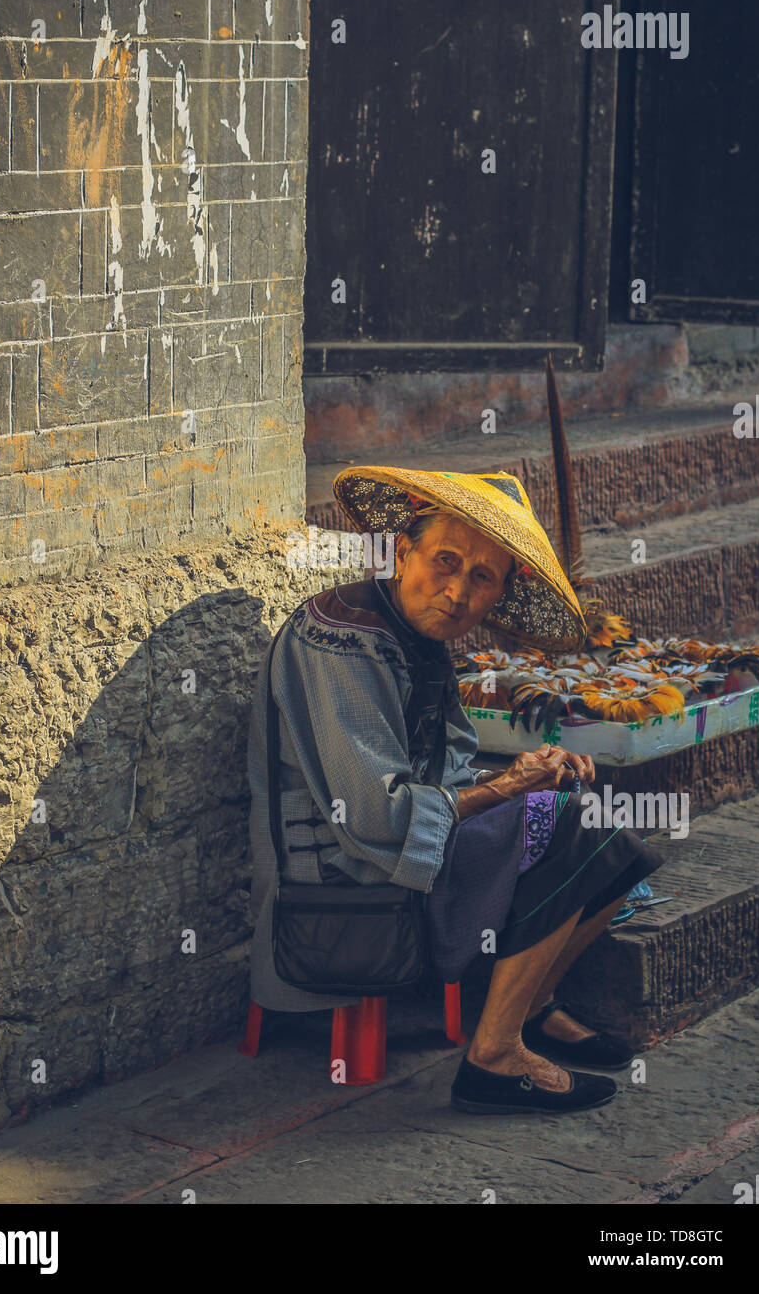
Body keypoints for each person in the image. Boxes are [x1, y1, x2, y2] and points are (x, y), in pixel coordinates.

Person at [246, 467, 664, 1115]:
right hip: (346, 882)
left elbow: (456, 766)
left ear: (497, 597)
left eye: (481, 578)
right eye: (445, 561)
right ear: (403, 552)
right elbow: (376, 815)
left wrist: (525, 779)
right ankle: (492, 1059)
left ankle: (526, 1011)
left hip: (413, 855)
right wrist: (509, 790)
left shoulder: (420, 639)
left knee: (618, 846)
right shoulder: (341, 641)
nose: (455, 591)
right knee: (570, 823)